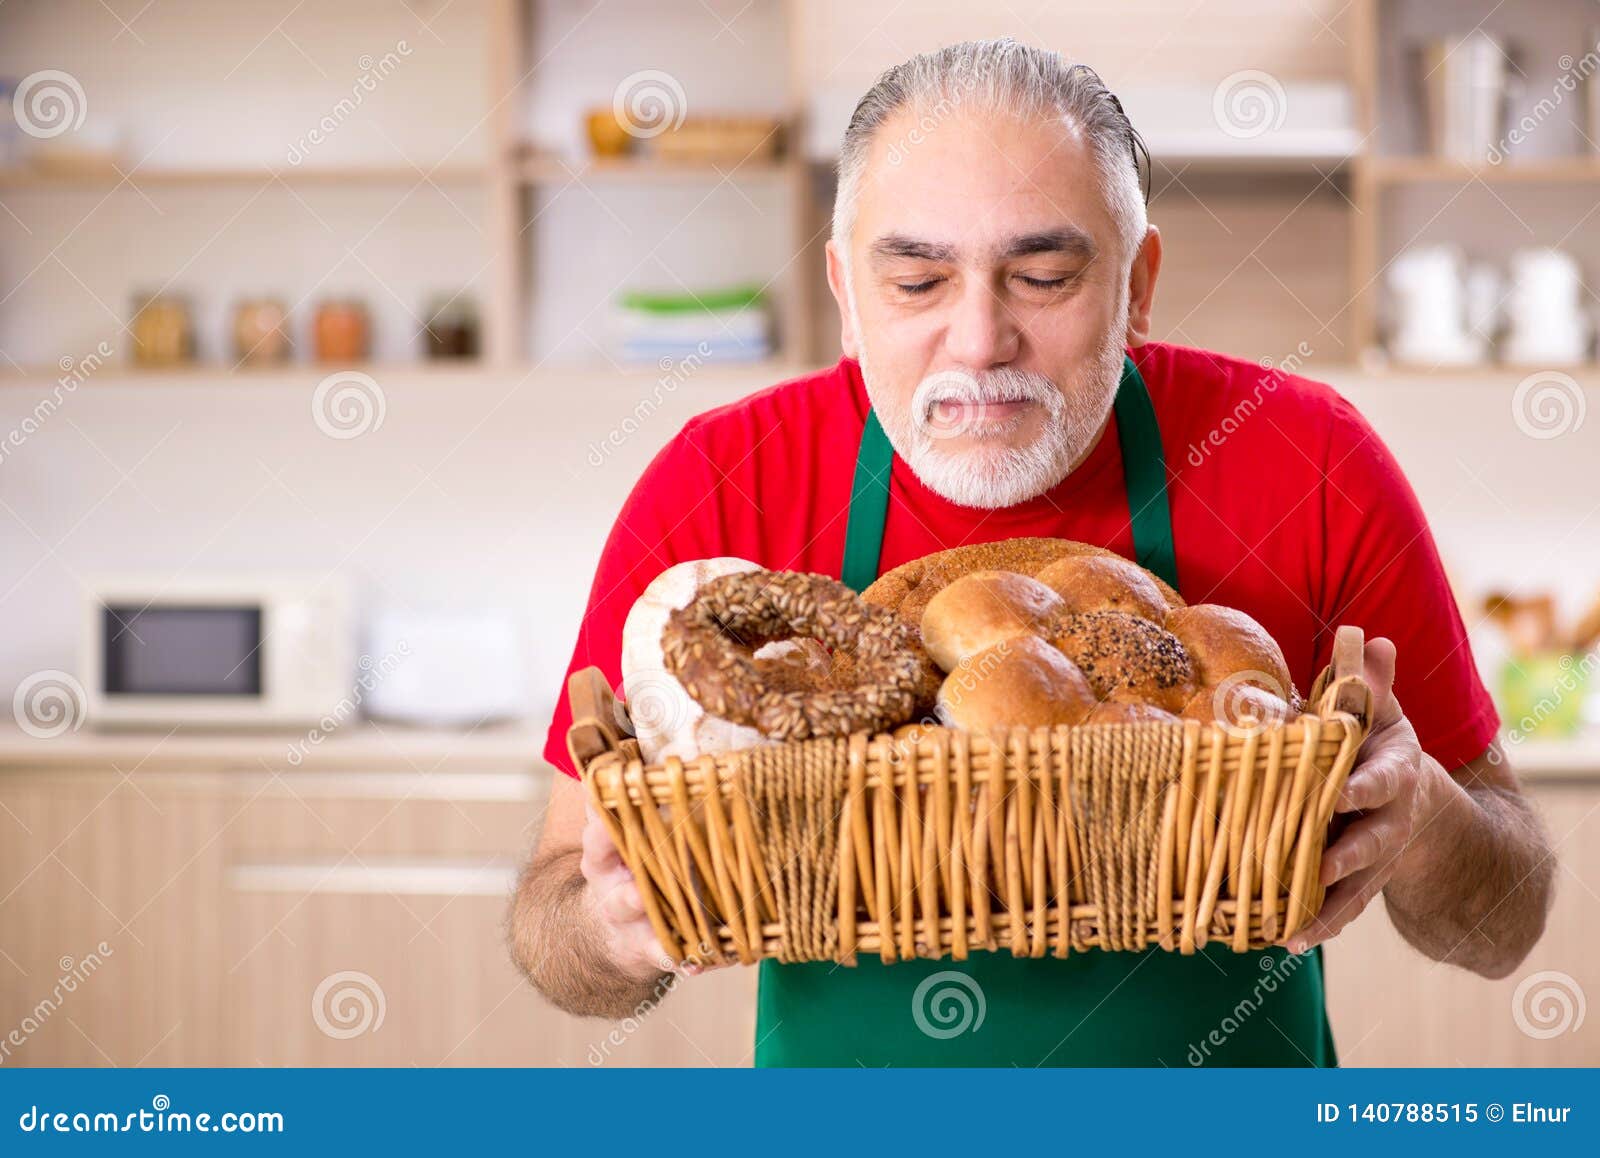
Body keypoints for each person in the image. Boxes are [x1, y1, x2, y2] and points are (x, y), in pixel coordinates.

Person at [509, 39, 1553, 1066]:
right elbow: (553, 927)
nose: (978, 339)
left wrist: (1416, 814)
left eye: (1042, 276)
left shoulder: (1308, 460)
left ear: (1138, 284)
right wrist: (607, 927)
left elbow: (1502, 925)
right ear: (842, 293)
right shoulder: (725, 482)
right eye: (917, 282)